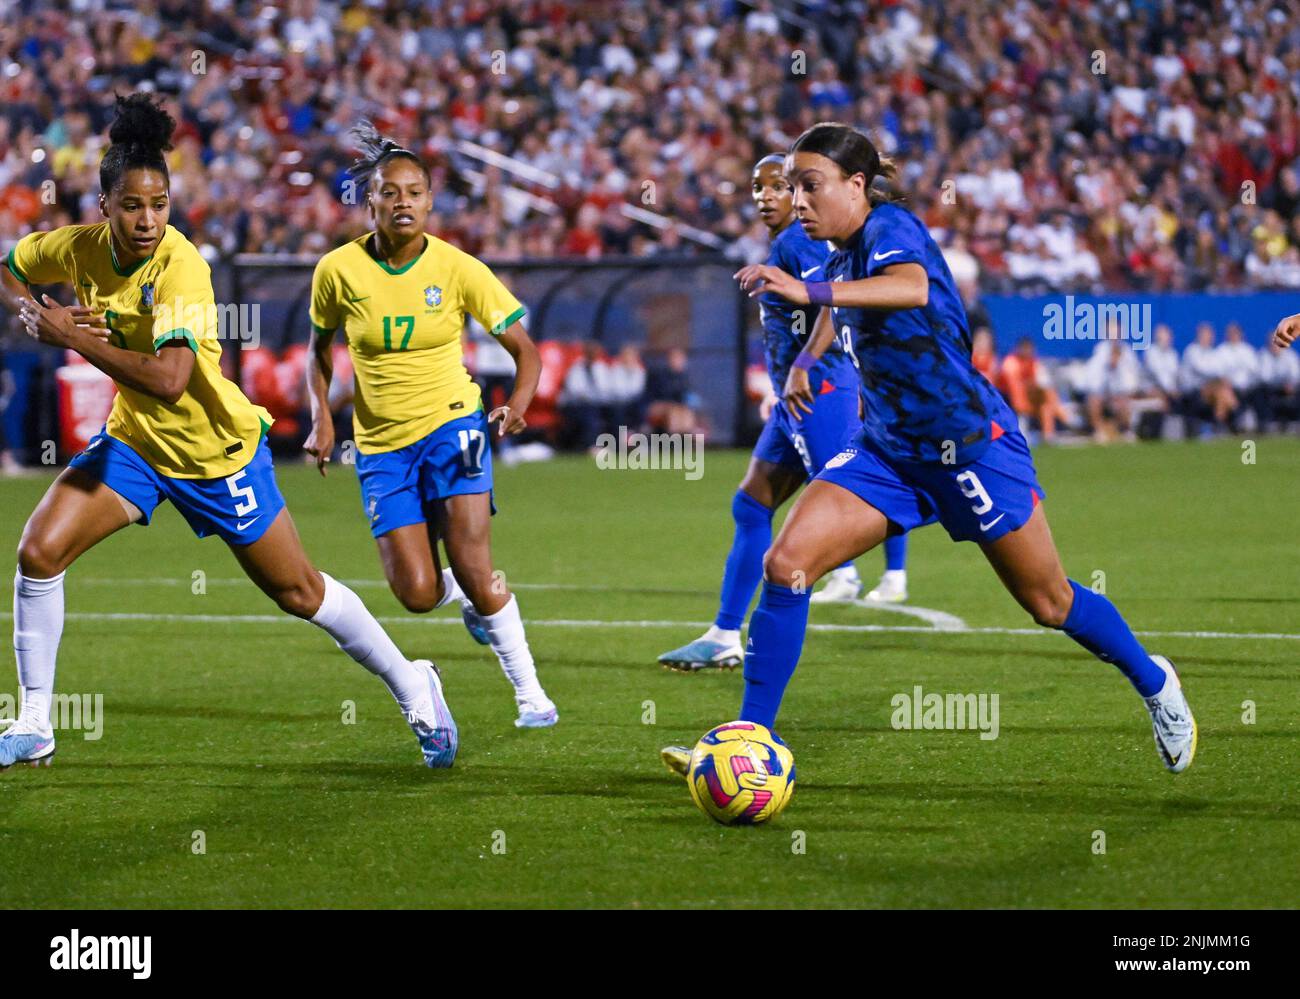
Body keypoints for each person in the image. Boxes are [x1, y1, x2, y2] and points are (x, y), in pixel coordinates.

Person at [663, 123, 1195, 777]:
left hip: (970, 451)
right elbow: (844, 304)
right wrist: (808, 352)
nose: (796, 199)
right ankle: (750, 739)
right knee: (789, 562)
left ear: (856, 186)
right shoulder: (838, 253)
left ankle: (1155, 681)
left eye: (811, 185)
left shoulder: (893, 230)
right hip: (887, 453)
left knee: (1049, 602)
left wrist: (809, 292)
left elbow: (909, 286)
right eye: (792, 186)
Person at [0, 95, 457, 769]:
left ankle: (413, 681)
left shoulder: (182, 267)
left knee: (299, 591)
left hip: (217, 455)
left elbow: (170, 378)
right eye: (133, 205)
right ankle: (36, 719)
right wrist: (30, 313)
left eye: (160, 204)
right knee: (38, 553)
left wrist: (71, 335)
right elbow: (10, 269)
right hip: (136, 446)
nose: (149, 218)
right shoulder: (75, 249)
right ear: (103, 207)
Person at [305, 122, 557, 729]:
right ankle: (468, 600)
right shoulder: (337, 271)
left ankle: (531, 695)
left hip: (453, 425)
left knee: (475, 560)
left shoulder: (458, 268)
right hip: (382, 447)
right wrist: (322, 419)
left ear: (429, 201)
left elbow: (526, 350)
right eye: (390, 193)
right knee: (415, 594)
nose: (403, 203)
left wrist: (519, 404)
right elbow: (318, 351)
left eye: (414, 192)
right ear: (369, 202)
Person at [657, 153, 908, 676]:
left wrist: (803, 365)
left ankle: (869, 574)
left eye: (776, 187)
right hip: (795, 395)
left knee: (853, 493)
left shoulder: (800, 240)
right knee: (750, 505)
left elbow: (833, 304)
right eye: (758, 187)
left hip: (819, 389)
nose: (765, 196)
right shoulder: (787, 242)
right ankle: (725, 634)